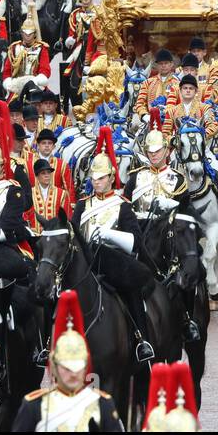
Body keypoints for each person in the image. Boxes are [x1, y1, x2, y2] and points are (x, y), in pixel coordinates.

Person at [72, 152, 156, 363]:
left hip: (114, 262)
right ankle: (48, 342)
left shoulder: (122, 205)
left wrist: (110, 234)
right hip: (87, 262)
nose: (96, 182)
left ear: (111, 178)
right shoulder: (83, 205)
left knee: (131, 290)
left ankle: (141, 340)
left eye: (101, 178)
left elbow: (135, 242)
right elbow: (73, 234)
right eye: (93, 178)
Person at [11, 290, 123, 432]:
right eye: (67, 368)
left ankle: (140, 339)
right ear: (55, 366)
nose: (74, 374)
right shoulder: (33, 406)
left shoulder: (103, 405)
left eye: (78, 367)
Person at [134, 49, 182, 122]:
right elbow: (140, 103)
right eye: (161, 63)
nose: (163, 66)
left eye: (166, 63)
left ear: (171, 64)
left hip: (172, 121)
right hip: (151, 120)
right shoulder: (148, 82)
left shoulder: (178, 83)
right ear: (156, 65)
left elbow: (182, 104)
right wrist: (144, 115)